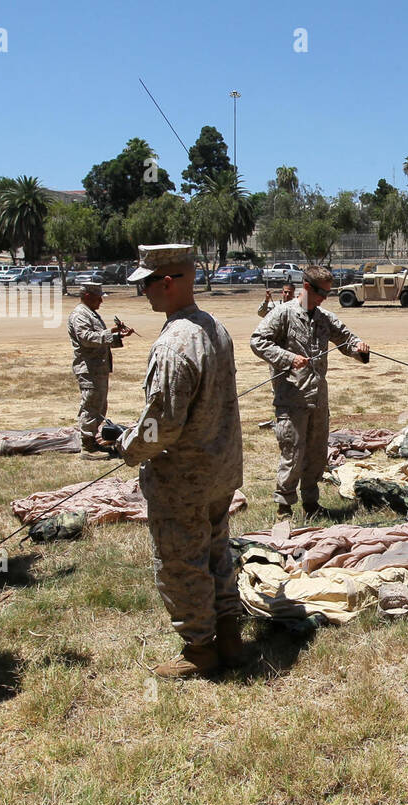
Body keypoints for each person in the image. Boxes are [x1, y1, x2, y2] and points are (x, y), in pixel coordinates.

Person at [115, 245, 244, 679]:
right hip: (219, 469)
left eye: (146, 285)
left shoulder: (173, 344)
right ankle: (230, 636)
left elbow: (163, 425)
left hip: (184, 478)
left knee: (182, 562)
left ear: (167, 283)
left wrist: (128, 447)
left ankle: (200, 649)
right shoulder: (214, 327)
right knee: (216, 550)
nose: (143, 293)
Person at [249, 264, 370, 519]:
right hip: (291, 398)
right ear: (306, 286)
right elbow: (258, 341)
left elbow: (346, 340)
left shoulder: (324, 318)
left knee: (316, 454)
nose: (324, 298)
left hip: (318, 399)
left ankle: (311, 505)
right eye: (321, 293)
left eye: (328, 293)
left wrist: (360, 348)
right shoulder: (283, 313)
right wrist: (288, 358)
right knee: (293, 453)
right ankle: (284, 507)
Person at [68, 281, 133, 459]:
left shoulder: (91, 314)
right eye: (98, 297)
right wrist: (110, 332)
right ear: (87, 296)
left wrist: (117, 335)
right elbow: (87, 338)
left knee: (99, 405)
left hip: (98, 368)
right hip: (89, 368)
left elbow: (99, 339)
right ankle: (87, 447)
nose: (101, 301)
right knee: (91, 406)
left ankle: (93, 442)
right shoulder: (80, 315)